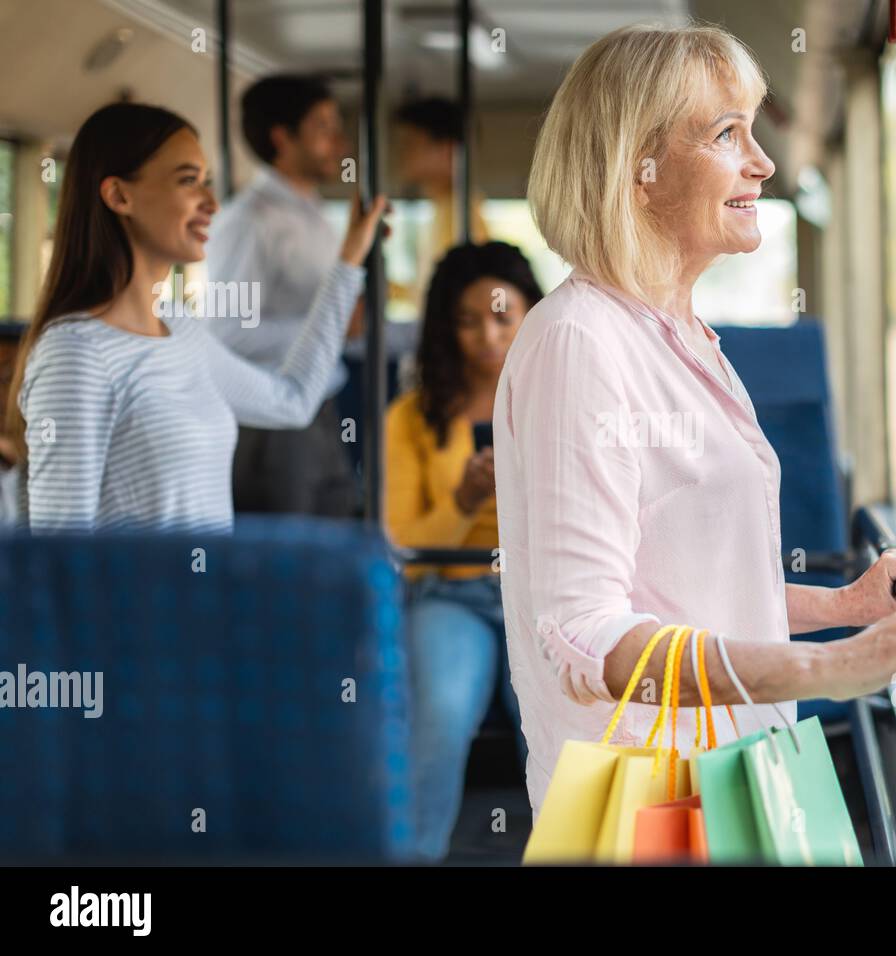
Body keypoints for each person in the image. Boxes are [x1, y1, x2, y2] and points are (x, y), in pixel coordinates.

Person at [495, 22, 896, 816]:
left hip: (741, 774)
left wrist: (843, 607)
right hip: (657, 807)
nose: (763, 162)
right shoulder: (580, 341)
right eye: (726, 133)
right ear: (637, 169)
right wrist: (837, 667)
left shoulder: (682, 337)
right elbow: (589, 635)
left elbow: (688, 587)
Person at [3, 103, 385, 533]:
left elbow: (292, 400)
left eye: (207, 182)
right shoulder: (75, 354)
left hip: (206, 597)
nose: (211, 204)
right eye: (188, 182)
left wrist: (350, 257)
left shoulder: (178, 326)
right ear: (118, 196)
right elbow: (60, 553)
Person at [385, 241, 543, 860]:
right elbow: (404, 545)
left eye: (504, 316)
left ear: (534, 315)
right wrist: (467, 498)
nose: (488, 335)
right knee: (441, 715)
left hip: (544, 594)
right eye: (468, 320)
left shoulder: (569, 404)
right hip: (452, 593)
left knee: (557, 727)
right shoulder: (412, 419)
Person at [205, 75, 366, 517]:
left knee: (335, 540)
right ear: (282, 137)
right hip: (272, 420)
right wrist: (329, 326)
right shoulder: (248, 222)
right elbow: (226, 332)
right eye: (322, 127)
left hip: (323, 405)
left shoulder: (316, 216)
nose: (338, 141)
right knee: (288, 559)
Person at [392, 97, 489, 302]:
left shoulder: (461, 211)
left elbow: (459, 295)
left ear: (448, 149)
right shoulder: (444, 208)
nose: (402, 153)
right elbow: (428, 290)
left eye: (411, 144)